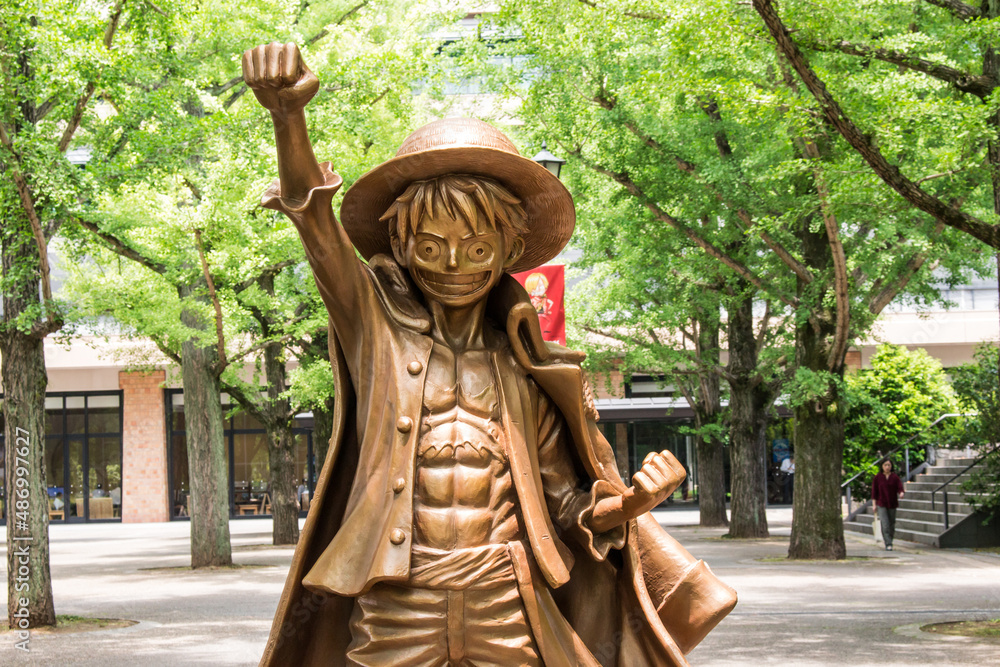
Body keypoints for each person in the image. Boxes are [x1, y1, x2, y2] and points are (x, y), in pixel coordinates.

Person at [244, 42, 735, 667]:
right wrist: (288, 119)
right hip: (399, 595)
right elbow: (316, 228)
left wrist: (631, 503)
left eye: (476, 249)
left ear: (506, 250)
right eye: (430, 247)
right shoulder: (376, 333)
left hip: (505, 597)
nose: (454, 267)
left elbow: (565, 505)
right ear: (401, 243)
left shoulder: (527, 371)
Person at [872, 459, 905, 551]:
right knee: (885, 523)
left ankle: (890, 539)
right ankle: (888, 543)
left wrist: (901, 493)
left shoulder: (894, 477)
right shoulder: (878, 477)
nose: (887, 467)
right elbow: (874, 492)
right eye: (885, 465)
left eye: (889, 465)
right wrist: (874, 505)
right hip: (881, 503)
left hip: (892, 503)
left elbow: (900, 487)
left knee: (891, 524)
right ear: (882, 466)